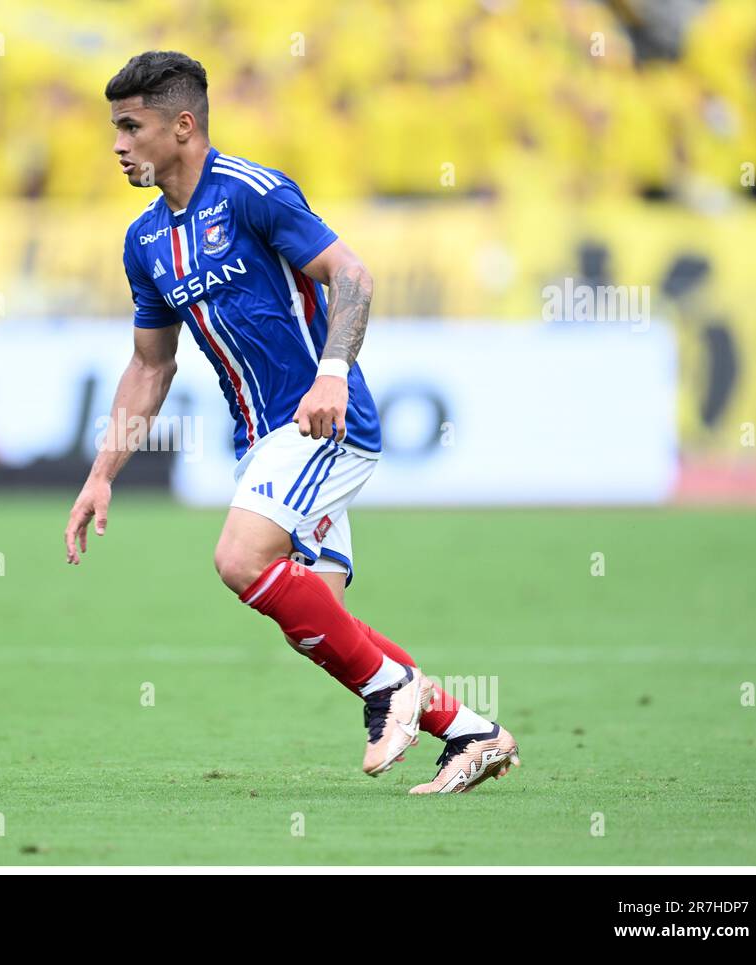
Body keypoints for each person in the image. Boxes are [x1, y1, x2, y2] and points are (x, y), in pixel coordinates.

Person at [64, 51, 520, 793]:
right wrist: (99, 474)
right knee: (318, 620)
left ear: (182, 127)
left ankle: (392, 690)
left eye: (130, 126)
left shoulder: (253, 193)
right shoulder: (145, 241)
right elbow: (150, 367)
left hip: (321, 425)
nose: (117, 143)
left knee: (239, 560)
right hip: (261, 443)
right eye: (113, 127)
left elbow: (353, 274)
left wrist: (332, 373)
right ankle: (471, 731)